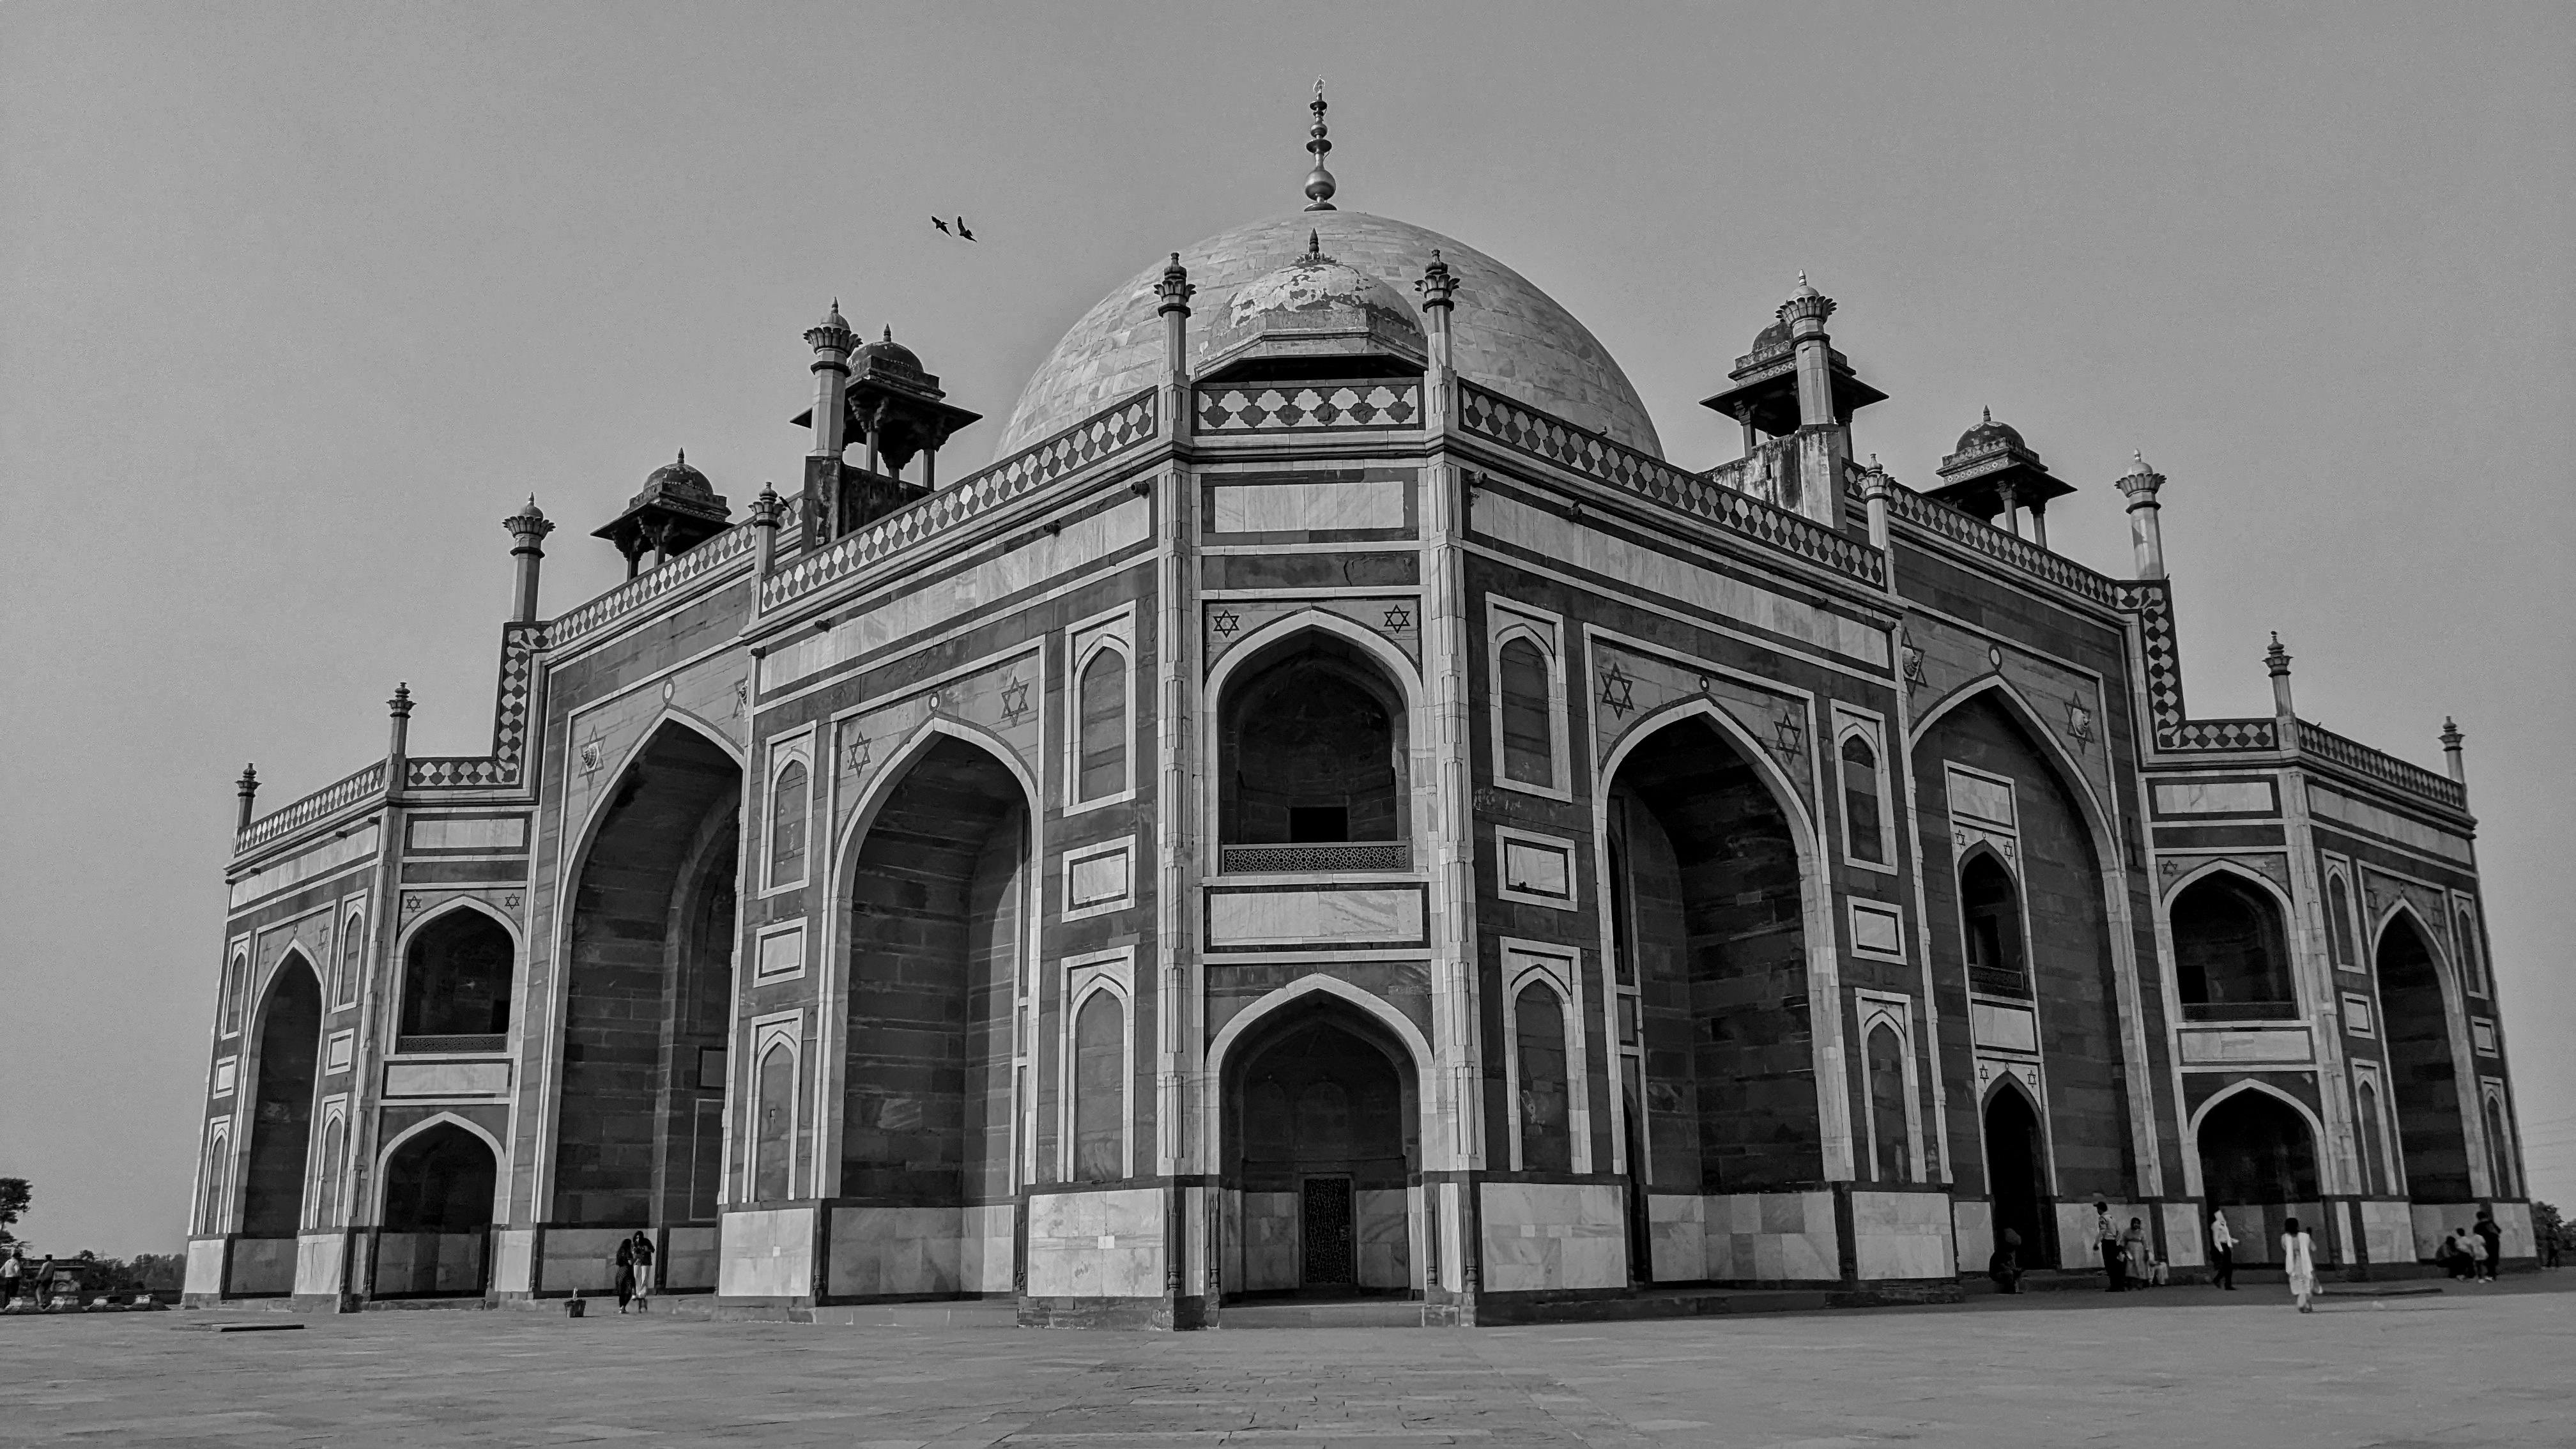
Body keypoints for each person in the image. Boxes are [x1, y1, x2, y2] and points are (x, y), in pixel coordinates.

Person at [2282, 1215, 2317, 1313]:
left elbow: (2285, 1249)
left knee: (2299, 1286)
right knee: (2307, 1286)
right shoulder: (2304, 1237)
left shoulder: (2285, 1238)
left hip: (2293, 1264)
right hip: (2306, 1263)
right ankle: (2302, 1304)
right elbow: (2313, 1248)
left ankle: (2307, 1305)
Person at [2095, 1202, 2125, 1292]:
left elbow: (2103, 1231)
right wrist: (2117, 1242)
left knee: (2109, 1265)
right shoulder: (2112, 1218)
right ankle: (2120, 1285)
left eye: (2098, 1209)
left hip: (2107, 1243)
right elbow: (2118, 1231)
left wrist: (2097, 1243)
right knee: (2116, 1265)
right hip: (2114, 1242)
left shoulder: (2102, 1218)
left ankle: (2114, 1285)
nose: (2097, 1211)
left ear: (2100, 1209)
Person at [627, 1231, 656, 1312]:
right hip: (637, 1261)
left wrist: (647, 1249)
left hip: (646, 1261)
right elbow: (632, 1253)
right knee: (636, 1276)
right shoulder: (634, 1244)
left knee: (644, 1277)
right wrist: (634, 1251)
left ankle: (642, 1293)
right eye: (636, 1238)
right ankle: (636, 1292)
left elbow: (653, 1250)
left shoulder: (646, 1242)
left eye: (639, 1238)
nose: (638, 1239)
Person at [1989, 1228, 2023, 1294]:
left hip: (2003, 1271)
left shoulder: (2009, 1254)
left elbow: (2010, 1264)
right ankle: (2009, 1290)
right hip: (1995, 1274)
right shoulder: (2000, 1253)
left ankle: (2016, 1289)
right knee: (2009, 1273)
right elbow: (2003, 1266)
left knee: (2015, 1273)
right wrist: (2014, 1269)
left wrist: (2016, 1269)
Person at [2209, 1209, 2237, 1291]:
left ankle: (2219, 1280)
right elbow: (2216, 1238)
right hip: (2222, 1246)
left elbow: (2227, 1237)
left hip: (2226, 1246)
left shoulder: (2223, 1224)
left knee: (2227, 1266)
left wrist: (2233, 1242)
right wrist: (2221, 1249)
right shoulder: (2217, 1225)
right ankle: (2226, 1284)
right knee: (2228, 1266)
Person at [2474, 1209, 2503, 1282]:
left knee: (2487, 1258)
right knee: (2493, 1257)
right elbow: (2499, 1231)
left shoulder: (2477, 1226)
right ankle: (2492, 1274)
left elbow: (2477, 1236)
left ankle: (2491, 1274)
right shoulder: (2490, 1223)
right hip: (2495, 1242)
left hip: (2485, 1243)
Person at [2123, 1218, 2152, 1290]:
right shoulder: (2127, 1232)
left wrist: (2147, 1252)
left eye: (2138, 1223)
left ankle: (2139, 1284)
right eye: (2135, 1223)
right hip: (2130, 1251)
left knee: (2139, 1266)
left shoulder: (2142, 1233)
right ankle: (2131, 1285)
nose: (2136, 1225)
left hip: (2139, 1251)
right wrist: (2123, 1249)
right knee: (2130, 1267)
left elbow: (2145, 1243)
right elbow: (2124, 1241)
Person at [611, 1236, 636, 1314]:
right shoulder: (628, 1252)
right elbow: (631, 1263)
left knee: (621, 1291)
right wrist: (636, 1257)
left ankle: (621, 1307)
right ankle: (623, 1307)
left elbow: (618, 1263)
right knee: (629, 1290)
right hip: (627, 1271)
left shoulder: (619, 1252)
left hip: (620, 1271)